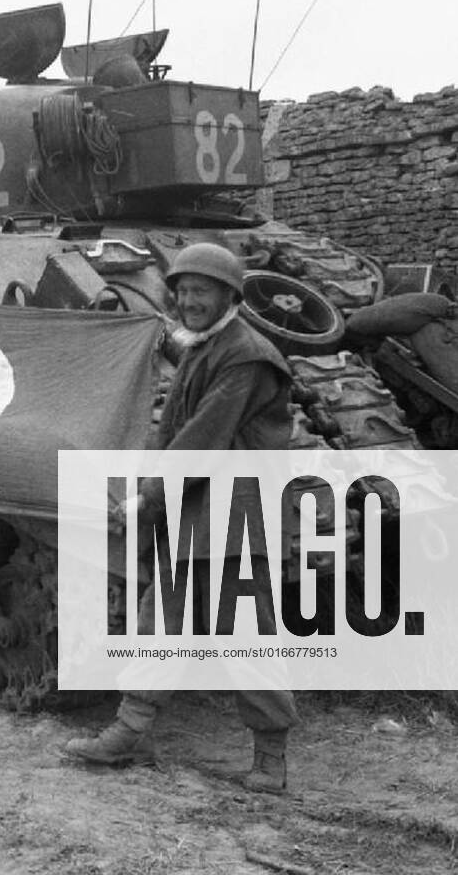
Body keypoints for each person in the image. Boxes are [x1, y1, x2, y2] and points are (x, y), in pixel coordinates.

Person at [64, 242, 299, 793]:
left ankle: (270, 758)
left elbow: (203, 439)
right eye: (184, 291)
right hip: (196, 511)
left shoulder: (245, 354)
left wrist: (145, 497)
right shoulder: (205, 344)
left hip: (237, 517)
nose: (190, 301)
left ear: (229, 295)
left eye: (203, 291)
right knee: (159, 625)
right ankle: (131, 733)